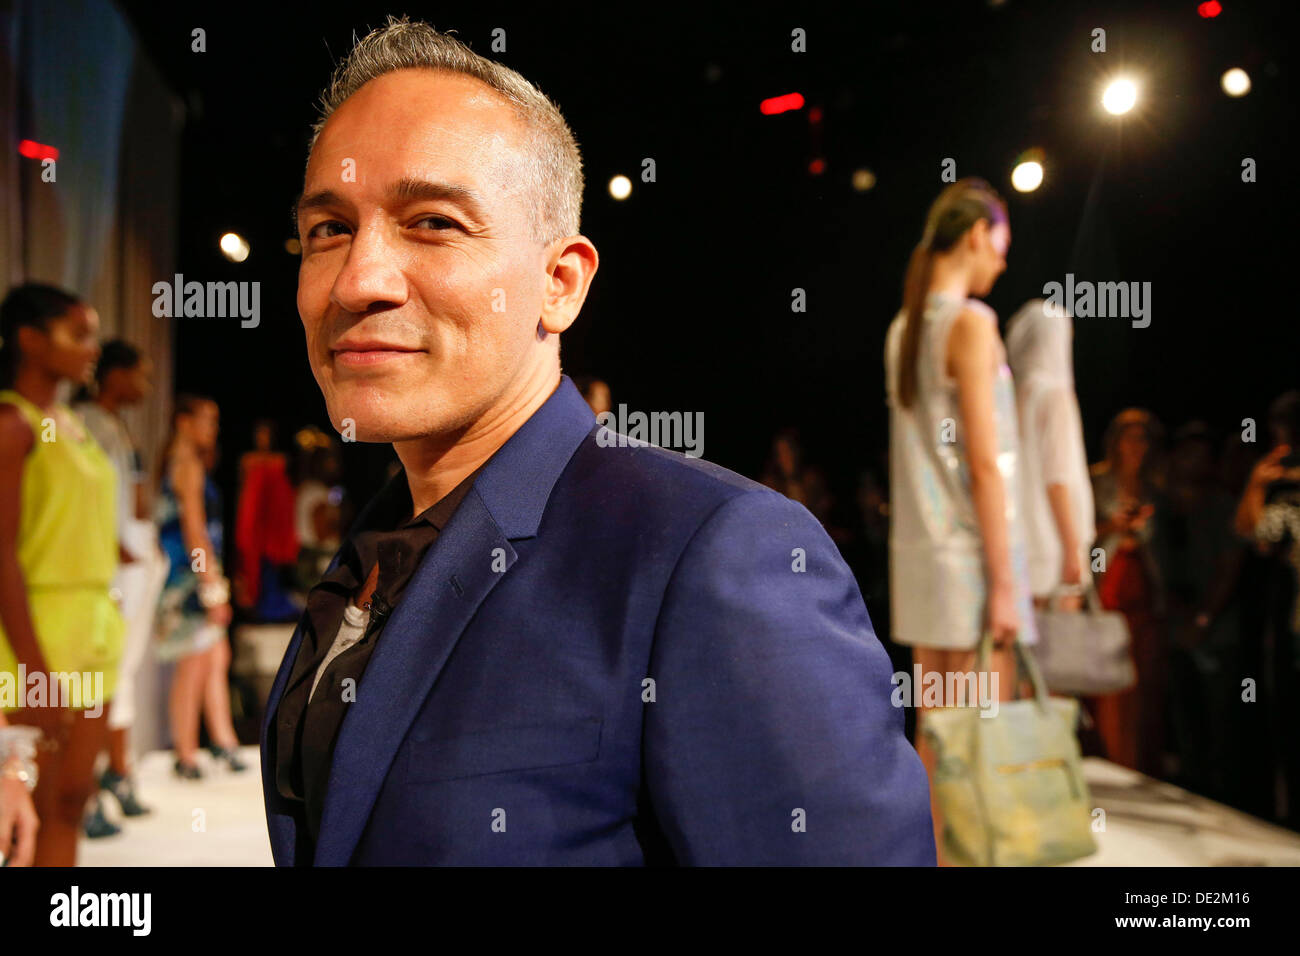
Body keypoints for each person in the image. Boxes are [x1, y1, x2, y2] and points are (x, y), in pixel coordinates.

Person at [262, 17, 932, 866]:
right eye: (328, 229)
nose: (359, 279)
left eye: (431, 222)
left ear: (560, 284)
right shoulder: (374, 548)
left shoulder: (715, 553)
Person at [884, 178, 1037, 863]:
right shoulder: (971, 323)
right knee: (981, 744)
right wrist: (1006, 583)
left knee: (938, 738)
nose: (1002, 263)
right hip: (972, 568)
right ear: (977, 234)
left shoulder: (903, 328)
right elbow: (985, 463)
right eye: (1001, 246)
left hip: (921, 565)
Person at [0, 283, 125, 866]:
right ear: (29, 339)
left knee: (70, 800)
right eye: (78, 334)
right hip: (37, 631)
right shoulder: (12, 423)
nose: (92, 347)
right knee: (25, 808)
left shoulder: (68, 422)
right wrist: (30, 670)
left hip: (94, 628)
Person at [73, 340, 166, 834]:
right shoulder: (82, 422)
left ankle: (115, 772)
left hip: (128, 560)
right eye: (139, 374)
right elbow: (88, 495)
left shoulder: (107, 422)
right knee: (100, 673)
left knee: (119, 669)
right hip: (107, 565)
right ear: (114, 374)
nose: (146, 386)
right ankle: (93, 784)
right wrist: (111, 549)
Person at [154, 395, 245, 777]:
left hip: (197, 571)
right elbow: (194, 531)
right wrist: (209, 586)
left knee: (215, 656)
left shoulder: (185, 463)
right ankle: (186, 752)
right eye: (206, 419)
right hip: (188, 578)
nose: (213, 428)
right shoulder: (186, 465)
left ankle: (223, 741)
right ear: (183, 421)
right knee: (193, 664)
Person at [1089, 408, 1166, 775]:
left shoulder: (1155, 486)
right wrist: (1112, 525)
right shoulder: (1097, 480)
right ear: (1115, 441)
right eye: (1130, 436)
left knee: (1143, 676)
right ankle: (1108, 757)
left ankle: (1141, 762)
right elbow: (1081, 532)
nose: (1137, 445)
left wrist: (1137, 528)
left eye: (1144, 437)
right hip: (1107, 581)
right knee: (1108, 676)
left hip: (1143, 586)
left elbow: (1162, 545)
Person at [1005, 299, 1094, 611]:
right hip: (1053, 540)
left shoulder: (1012, 395)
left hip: (1019, 540)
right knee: (1059, 650)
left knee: (1026, 649)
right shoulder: (1054, 394)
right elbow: (1057, 478)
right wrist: (1072, 548)